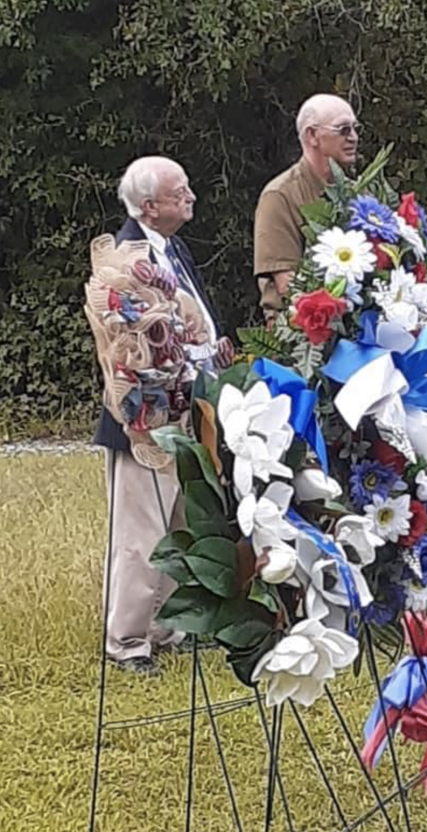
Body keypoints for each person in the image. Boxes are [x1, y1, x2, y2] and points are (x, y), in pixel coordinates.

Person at [93, 155, 232, 675]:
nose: (191, 195)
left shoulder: (170, 249)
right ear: (150, 206)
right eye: (181, 190)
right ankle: (126, 641)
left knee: (181, 521)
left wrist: (208, 351)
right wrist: (193, 355)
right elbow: (131, 345)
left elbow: (186, 324)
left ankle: (168, 626)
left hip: (185, 406)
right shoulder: (124, 260)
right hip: (144, 418)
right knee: (140, 531)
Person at [253, 93, 360, 324]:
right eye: (343, 129)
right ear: (312, 135)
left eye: (354, 128)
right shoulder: (280, 196)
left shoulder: (361, 194)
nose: (353, 137)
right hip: (302, 333)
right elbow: (288, 286)